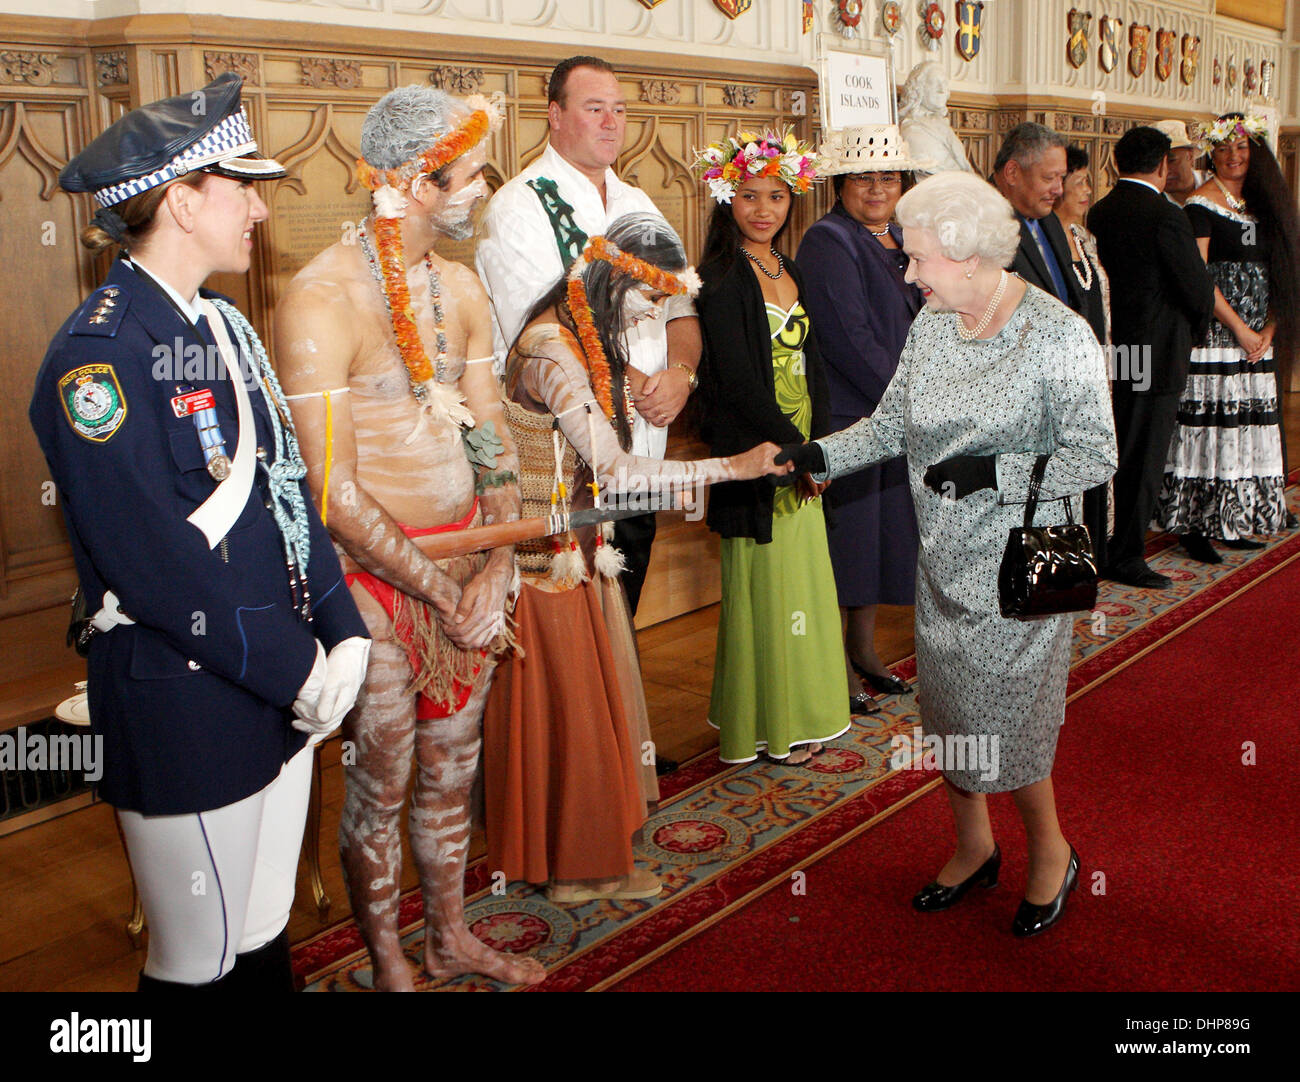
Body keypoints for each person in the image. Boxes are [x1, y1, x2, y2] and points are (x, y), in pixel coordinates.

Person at [28, 73, 371, 990]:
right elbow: (153, 566)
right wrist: (298, 667)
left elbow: (288, 492)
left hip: (273, 678)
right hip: (186, 693)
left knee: (262, 940)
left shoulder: (217, 327)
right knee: (198, 964)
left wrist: (343, 630)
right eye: (241, 186)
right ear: (181, 200)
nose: (260, 208)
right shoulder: (98, 357)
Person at [778, 171, 1118, 937]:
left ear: (967, 257)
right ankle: (974, 845)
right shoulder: (933, 325)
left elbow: (1097, 454)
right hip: (944, 561)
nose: (908, 274)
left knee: (1015, 718)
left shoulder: (1056, 334)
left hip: (1024, 563)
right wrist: (818, 455)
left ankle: (1051, 852)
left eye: (918, 259)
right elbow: (891, 423)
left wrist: (993, 473)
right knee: (951, 712)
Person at [275, 86, 545, 991]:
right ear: (407, 182)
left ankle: (449, 938)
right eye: (467, 176)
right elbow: (333, 494)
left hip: (468, 566)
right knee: (381, 781)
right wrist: (442, 591)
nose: (480, 190)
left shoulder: (460, 285)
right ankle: (388, 958)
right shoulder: (320, 298)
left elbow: (493, 437)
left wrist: (499, 563)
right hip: (374, 586)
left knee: (450, 774)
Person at [485, 214, 783, 903]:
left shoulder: (581, 336)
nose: (655, 313)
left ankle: (580, 861)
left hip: (581, 550)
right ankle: (578, 870)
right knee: (578, 724)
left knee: (593, 714)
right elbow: (616, 473)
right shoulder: (552, 348)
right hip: (547, 562)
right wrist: (732, 467)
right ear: (618, 281)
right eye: (651, 299)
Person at [475, 55, 700, 637]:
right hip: (565, 455)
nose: (611, 122)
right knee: (569, 625)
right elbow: (541, 330)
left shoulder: (638, 204)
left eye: (619, 110)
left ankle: (619, 724)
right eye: (593, 108)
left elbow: (680, 302)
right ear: (554, 115)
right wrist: (627, 378)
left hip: (645, 444)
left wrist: (681, 373)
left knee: (624, 608)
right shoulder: (522, 205)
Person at [691, 129, 852, 762]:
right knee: (768, 591)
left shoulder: (789, 268)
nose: (764, 210)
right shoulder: (721, 277)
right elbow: (734, 380)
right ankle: (769, 727)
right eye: (751, 196)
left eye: (778, 197)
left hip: (805, 445)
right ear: (728, 198)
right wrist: (795, 452)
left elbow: (816, 365)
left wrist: (827, 446)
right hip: (761, 457)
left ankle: (799, 715)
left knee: (806, 588)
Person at [795, 125, 923, 708]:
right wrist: (909, 399)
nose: (877, 188)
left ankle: (865, 651)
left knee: (880, 540)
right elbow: (848, 337)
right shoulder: (828, 241)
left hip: (895, 414)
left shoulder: (902, 235)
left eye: (888, 177)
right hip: (853, 417)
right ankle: (833, 670)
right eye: (865, 177)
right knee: (846, 545)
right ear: (842, 183)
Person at [1153, 112, 1300, 554]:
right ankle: (1196, 527)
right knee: (1211, 430)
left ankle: (1231, 520)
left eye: (1241, 148)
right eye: (1223, 148)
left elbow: (1283, 274)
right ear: (1211, 153)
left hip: (1259, 341)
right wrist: (1238, 328)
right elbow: (1200, 278)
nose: (1233, 156)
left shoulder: (1267, 202)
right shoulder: (1200, 205)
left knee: (1243, 430)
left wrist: (1268, 330)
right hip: (1217, 337)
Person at [1089, 126, 1216, 588]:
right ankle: (1126, 556)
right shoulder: (1165, 215)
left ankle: (1102, 545)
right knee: (1143, 457)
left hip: (1115, 352)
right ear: (1163, 165)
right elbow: (1196, 285)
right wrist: (1198, 332)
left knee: (1115, 444)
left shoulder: (1099, 211)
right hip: (1157, 355)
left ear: (1116, 164)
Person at [1053, 144, 1112, 567]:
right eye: (1079, 182)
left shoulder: (1083, 237)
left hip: (1093, 369)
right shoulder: (1038, 240)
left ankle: (1093, 555)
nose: (1089, 190)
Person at [992, 123, 1087, 323]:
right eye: (1049, 178)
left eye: (1061, 178)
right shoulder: (984, 222)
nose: (1059, 190)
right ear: (1012, 172)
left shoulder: (1049, 219)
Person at [897, 61, 974, 176]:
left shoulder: (941, 125)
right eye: (934, 83)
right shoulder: (913, 131)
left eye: (944, 83)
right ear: (919, 89)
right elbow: (938, 177)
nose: (942, 90)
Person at [1154, 119, 1205, 206]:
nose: (1164, 170)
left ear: (1190, 157)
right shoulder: (1153, 200)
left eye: (1170, 161)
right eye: (1157, 163)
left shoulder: (1214, 185)